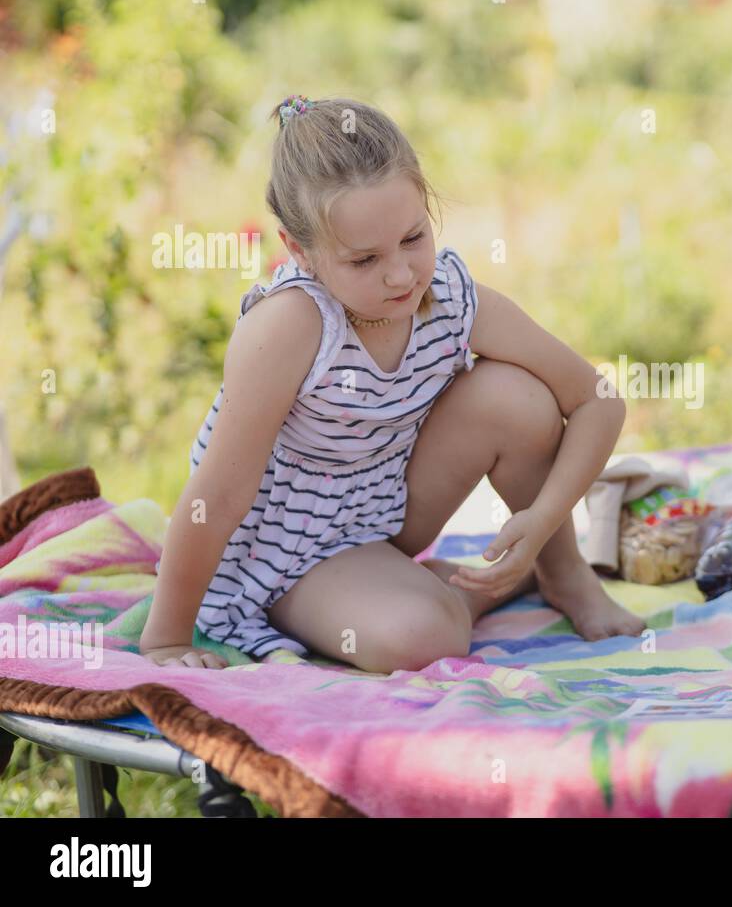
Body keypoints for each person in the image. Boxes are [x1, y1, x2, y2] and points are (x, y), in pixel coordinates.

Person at [141, 95, 644, 671]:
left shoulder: (450, 297)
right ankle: (459, 593)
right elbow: (217, 497)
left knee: (520, 399)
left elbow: (596, 400)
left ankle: (563, 574)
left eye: (413, 239)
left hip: (378, 512)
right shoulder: (288, 327)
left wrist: (544, 517)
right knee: (422, 637)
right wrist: (168, 638)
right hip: (280, 557)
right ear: (299, 250)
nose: (401, 275)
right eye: (363, 260)